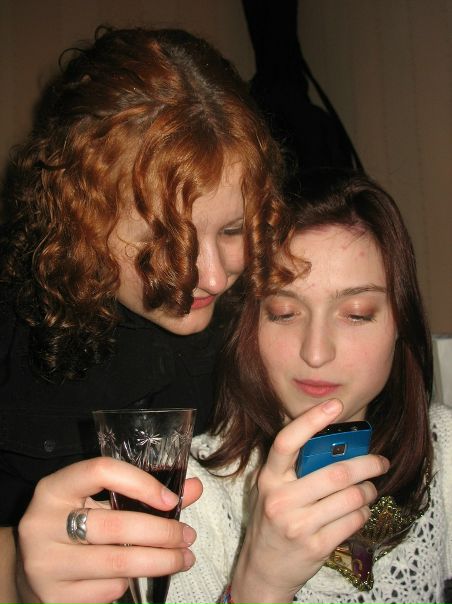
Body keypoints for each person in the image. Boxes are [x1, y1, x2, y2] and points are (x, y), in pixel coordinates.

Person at [0, 26, 291, 603]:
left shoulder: (274, 314)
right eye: (165, 241)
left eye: (233, 230)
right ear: (82, 219)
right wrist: (16, 579)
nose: (212, 277)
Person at [163, 169, 450, 603]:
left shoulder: (443, 451)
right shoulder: (187, 498)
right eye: (284, 312)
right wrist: (260, 583)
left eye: (356, 313)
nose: (315, 353)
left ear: (400, 324)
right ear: (251, 326)